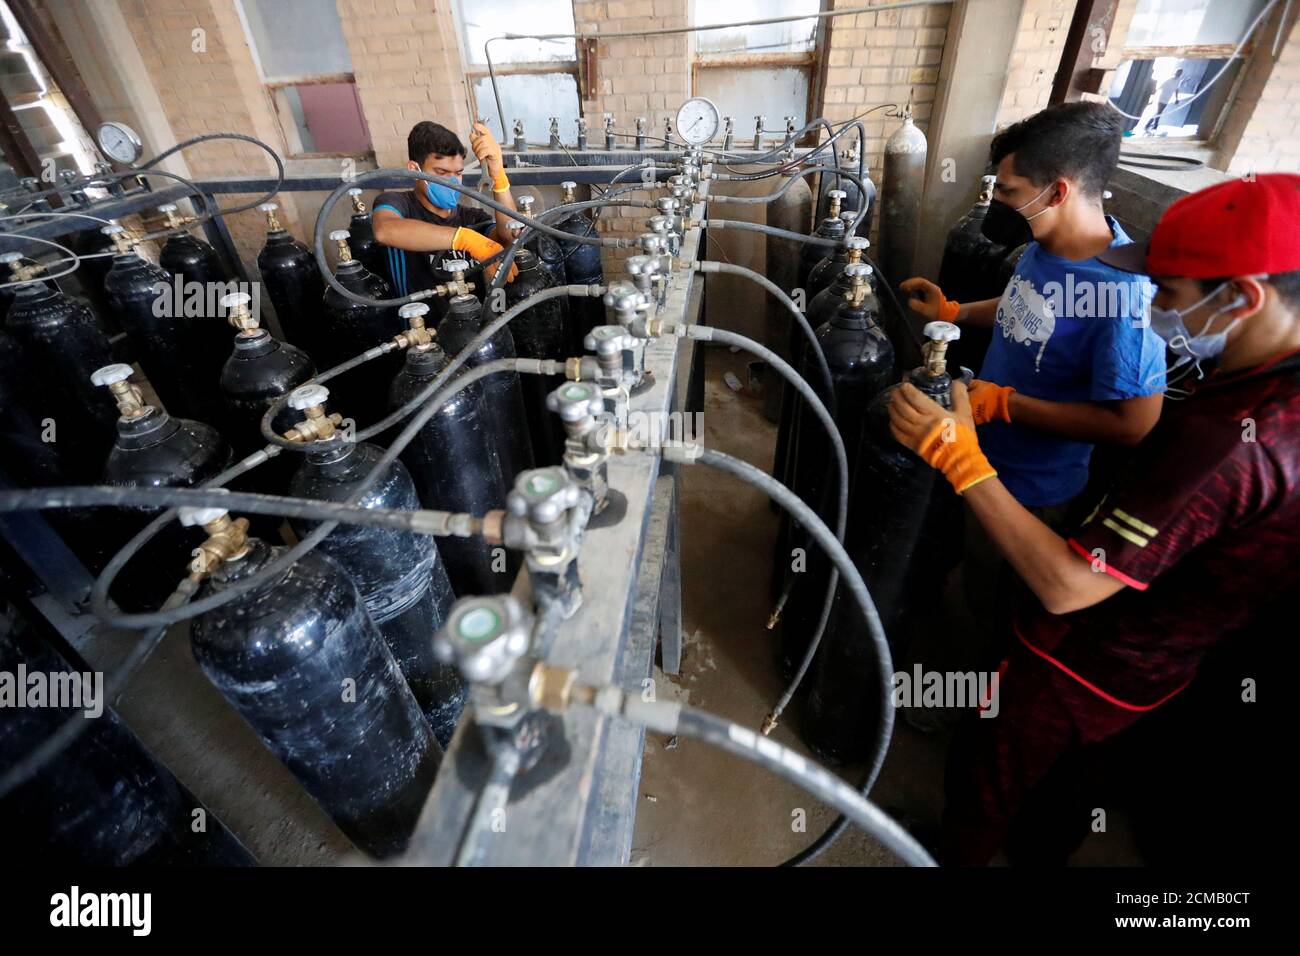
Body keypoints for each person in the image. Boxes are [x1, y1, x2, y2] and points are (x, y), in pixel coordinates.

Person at [886, 172, 1300, 865]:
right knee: (1064, 796)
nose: (1154, 308)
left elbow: (1066, 586)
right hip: (1157, 662)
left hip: (1086, 660)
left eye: (1168, 293)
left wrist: (957, 459)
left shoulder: (1232, 441)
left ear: (1243, 297)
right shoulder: (1267, 380)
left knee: (991, 778)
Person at [903, 102, 1167, 514]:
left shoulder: (1124, 295)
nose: (998, 203)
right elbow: (1025, 306)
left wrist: (1006, 405)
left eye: (1009, 191)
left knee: (987, 572)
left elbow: (1135, 424)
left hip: (1032, 490)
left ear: (1057, 192)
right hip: (980, 453)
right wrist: (954, 312)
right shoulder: (1044, 244)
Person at [372, 120, 519, 306]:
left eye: (457, 173)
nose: (452, 181)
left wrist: (498, 175)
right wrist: (465, 240)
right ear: (414, 170)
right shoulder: (398, 204)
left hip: (476, 326)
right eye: (441, 172)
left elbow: (509, 235)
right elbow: (385, 230)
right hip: (420, 331)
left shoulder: (473, 217)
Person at [1144, 68, 1184, 133]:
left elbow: (1176, 89)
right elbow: (1160, 87)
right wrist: (1153, 95)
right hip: (1162, 98)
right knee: (1159, 112)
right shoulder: (1170, 79)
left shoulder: (1178, 80)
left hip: (1167, 99)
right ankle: (1153, 126)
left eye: (1180, 73)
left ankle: (1151, 125)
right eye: (1178, 73)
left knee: (1159, 112)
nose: (1179, 74)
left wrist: (1176, 98)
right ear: (1176, 72)